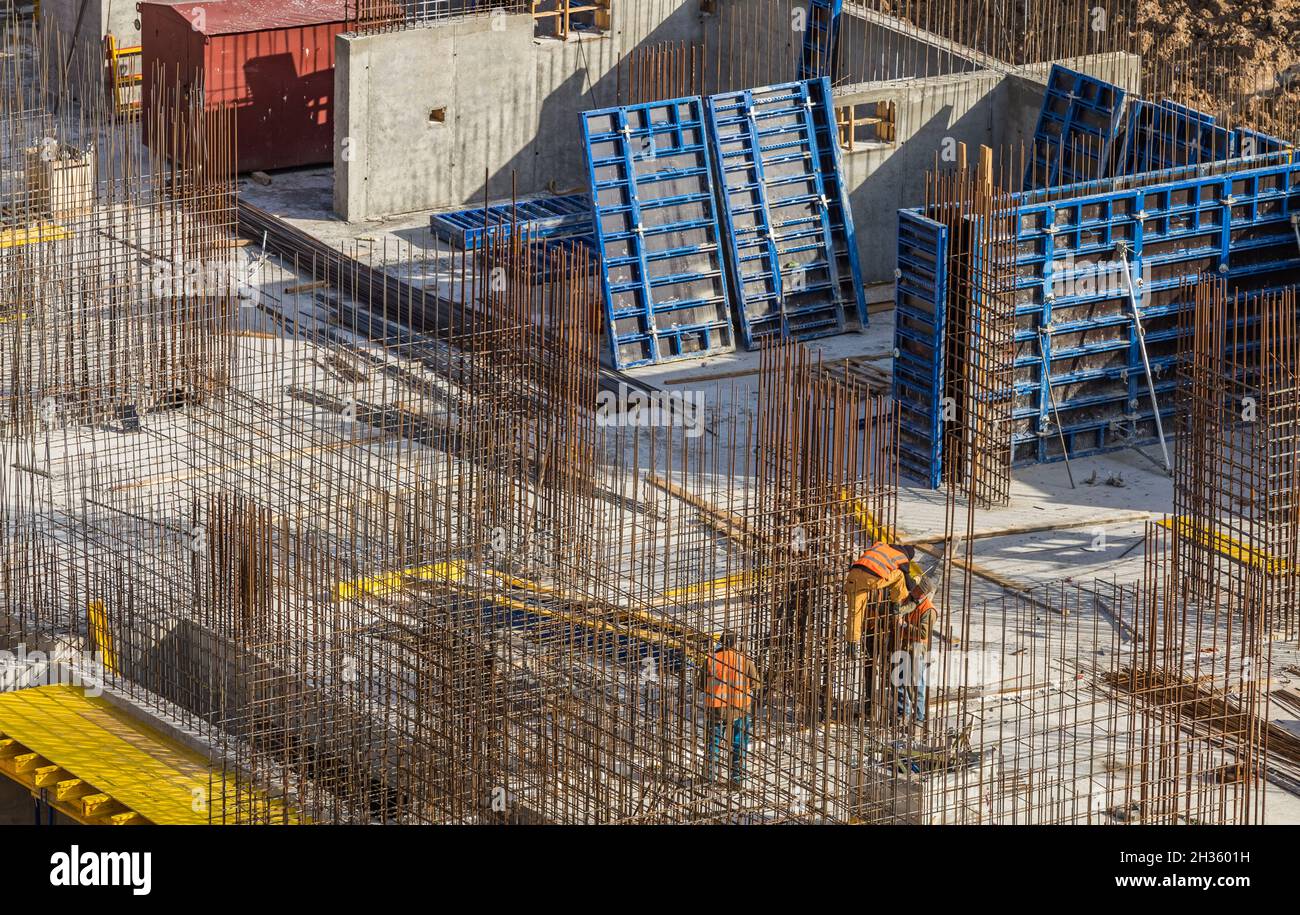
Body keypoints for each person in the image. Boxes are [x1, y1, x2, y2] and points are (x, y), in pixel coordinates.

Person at [699, 631, 761, 789]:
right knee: (738, 744)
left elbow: (700, 684)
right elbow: (756, 684)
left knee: (713, 743)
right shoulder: (744, 660)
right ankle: (736, 779)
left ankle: (709, 777)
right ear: (735, 644)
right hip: (739, 709)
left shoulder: (711, 660)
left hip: (716, 710)